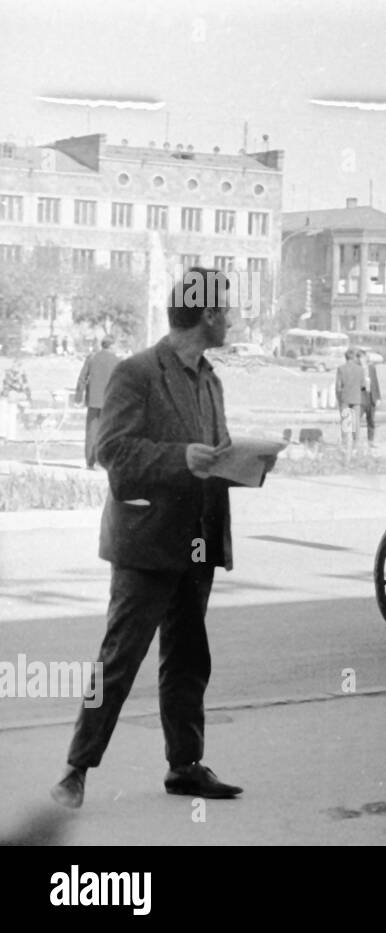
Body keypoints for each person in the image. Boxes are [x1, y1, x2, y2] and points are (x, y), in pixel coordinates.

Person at [50, 267, 277, 809]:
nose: (232, 320)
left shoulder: (209, 378)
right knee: (120, 657)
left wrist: (244, 462)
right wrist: (181, 458)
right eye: (227, 311)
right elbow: (114, 453)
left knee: (188, 657)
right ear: (207, 315)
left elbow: (212, 453)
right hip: (147, 541)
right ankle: (75, 771)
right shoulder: (136, 373)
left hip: (197, 539)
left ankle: (185, 766)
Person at [75, 337, 121, 470]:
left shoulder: (92, 358)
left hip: (93, 401)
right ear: (112, 346)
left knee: (92, 431)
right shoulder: (117, 361)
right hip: (110, 402)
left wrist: (78, 397)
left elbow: (82, 378)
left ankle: (90, 462)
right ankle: (101, 462)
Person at [336, 349, 366, 460]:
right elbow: (363, 386)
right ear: (354, 358)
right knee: (356, 423)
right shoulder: (360, 370)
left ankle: (344, 446)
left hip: (345, 399)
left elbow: (338, 387)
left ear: (345, 357)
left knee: (345, 423)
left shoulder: (341, 369)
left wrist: (339, 399)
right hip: (356, 399)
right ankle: (355, 446)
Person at [360, 353, 381, 448]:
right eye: (361, 358)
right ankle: (354, 441)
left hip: (371, 397)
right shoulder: (357, 369)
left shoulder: (372, 368)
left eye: (365, 358)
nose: (363, 359)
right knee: (356, 420)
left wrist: (378, 397)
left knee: (371, 420)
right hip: (361, 398)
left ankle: (370, 441)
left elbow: (376, 383)